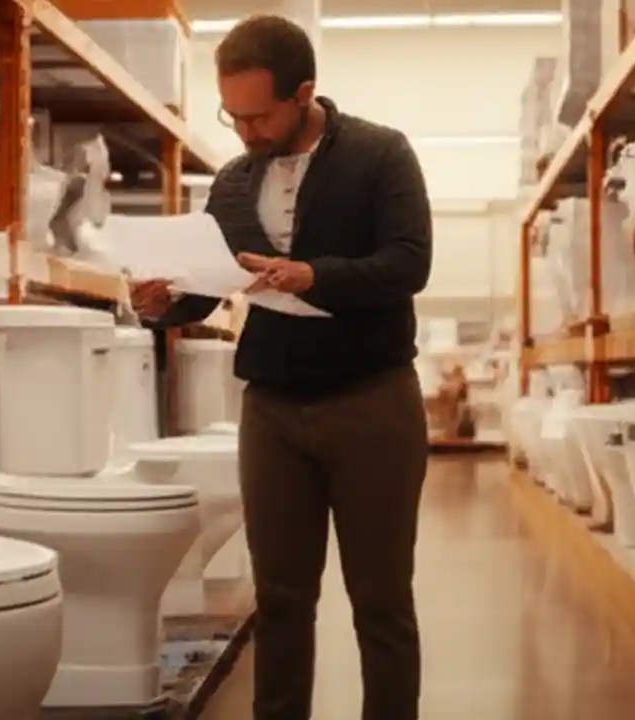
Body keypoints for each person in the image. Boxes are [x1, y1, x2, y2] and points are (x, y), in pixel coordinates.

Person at [130, 14, 431, 720]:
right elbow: (211, 284)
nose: (245, 133)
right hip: (271, 407)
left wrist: (309, 275)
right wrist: (159, 304)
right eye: (232, 116)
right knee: (282, 598)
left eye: (259, 116)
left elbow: (408, 263)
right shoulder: (233, 181)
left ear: (305, 93)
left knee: (381, 599)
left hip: (373, 399)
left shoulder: (381, 154)